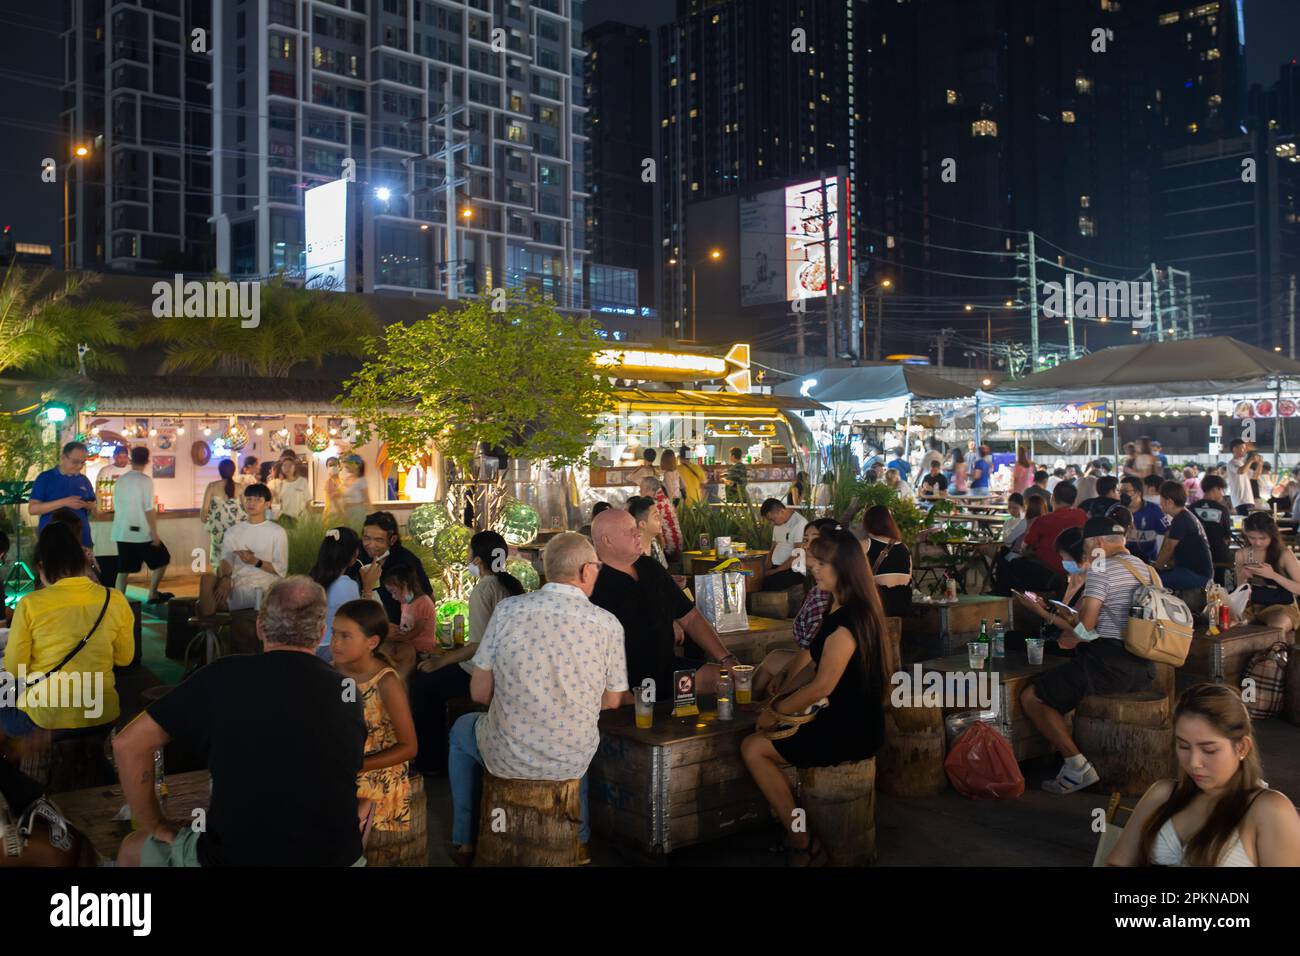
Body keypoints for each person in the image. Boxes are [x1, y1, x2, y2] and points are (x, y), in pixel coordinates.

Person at [114, 577, 368, 867]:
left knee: (133, 847)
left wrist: (157, 825)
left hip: (233, 857)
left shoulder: (222, 675)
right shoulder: (347, 692)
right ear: (321, 632)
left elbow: (127, 744)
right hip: (337, 859)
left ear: (260, 627)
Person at [448, 533, 627, 865]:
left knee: (460, 731)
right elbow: (613, 700)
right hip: (571, 757)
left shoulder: (508, 610)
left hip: (506, 756)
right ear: (587, 570)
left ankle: (464, 839)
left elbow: (478, 692)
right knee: (573, 740)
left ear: (546, 568)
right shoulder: (608, 625)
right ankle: (580, 841)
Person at [740, 528, 890, 865]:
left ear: (845, 569)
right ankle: (800, 834)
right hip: (848, 721)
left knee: (753, 749)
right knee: (762, 740)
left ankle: (801, 840)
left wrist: (775, 713)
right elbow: (810, 664)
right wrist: (777, 696)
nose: (814, 569)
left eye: (821, 564)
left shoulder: (848, 620)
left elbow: (823, 685)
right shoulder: (844, 608)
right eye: (814, 563)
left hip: (851, 730)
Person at [1018, 515, 1157, 794]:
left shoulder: (1102, 570)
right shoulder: (1145, 569)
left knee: (1032, 696)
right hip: (1145, 666)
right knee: (1060, 683)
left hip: (1109, 665)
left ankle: (1076, 765)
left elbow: (1085, 629)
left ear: (1098, 542)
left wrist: (1046, 616)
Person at [1106, 684, 1300, 866]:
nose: (1193, 763)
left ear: (1241, 747)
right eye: (1183, 746)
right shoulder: (1163, 793)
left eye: (1209, 750)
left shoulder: (1270, 810)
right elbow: (1115, 863)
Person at [0, 523, 135, 742]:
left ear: (41, 566)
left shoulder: (30, 605)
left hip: (46, 717)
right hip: (102, 713)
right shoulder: (115, 599)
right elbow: (124, 658)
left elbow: (16, 668)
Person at [409, 530, 524, 774]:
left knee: (423, 686)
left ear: (478, 560)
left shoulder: (484, 590)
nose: (468, 557)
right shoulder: (511, 585)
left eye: (470, 552)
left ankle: (432, 762)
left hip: (484, 673)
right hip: (507, 666)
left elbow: (479, 646)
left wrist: (440, 662)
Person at [589, 509, 738, 696]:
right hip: (624, 682)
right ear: (607, 540)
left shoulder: (650, 567)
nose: (638, 534)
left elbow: (690, 617)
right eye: (630, 531)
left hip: (668, 669)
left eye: (637, 528)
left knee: (734, 680)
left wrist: (725, 658)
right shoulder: (591, 581)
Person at [330, 599, 417, 837]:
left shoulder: (386, 682)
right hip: (341, 769)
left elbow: (409, 747)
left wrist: (356, 765)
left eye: (346, 636)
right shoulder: (329, 674)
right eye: (334, 633)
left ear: (372, 642)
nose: (335, 642)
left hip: (379, 776)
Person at [758, 518, 842, 700]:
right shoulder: (818, 586)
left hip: (824, 677)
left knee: (772, 667)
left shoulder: (828, 594)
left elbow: (811, 654)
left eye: (815, 539)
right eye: (805, 539)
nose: (808, 545)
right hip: (812, 664)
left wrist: (777, 704)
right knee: (773, 659)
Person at [198, 483, 288, 616]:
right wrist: (226, 577)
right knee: (206, 578)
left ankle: (206, 622)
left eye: (257, 500)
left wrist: (255, 561)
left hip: (260, 586)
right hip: (236, 582)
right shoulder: (233, 531)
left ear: (267, 504)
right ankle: (208, 622)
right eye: (248, 499)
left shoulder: (277, 532)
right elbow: (226, 558)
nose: (251, 503)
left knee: (206, 605)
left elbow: (280, 570)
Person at [110, 446, 173, 604]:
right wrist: (154, 532)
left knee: (123, 570)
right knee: (163, 559)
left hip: (121, 531)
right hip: (141, 533)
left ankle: (118, 603)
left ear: (131, 460)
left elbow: (116, 505)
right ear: (147, 461)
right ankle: (152, 594)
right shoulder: (145, 481)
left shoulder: (121, 481)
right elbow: (148, 509)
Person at [308, 527, 377, 663]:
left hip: (309, 648)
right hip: (330, 650)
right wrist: (368, 587)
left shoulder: (311, 578)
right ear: (353, 555)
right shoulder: (345, 585)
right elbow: (362, 621)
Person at [359, 511, 434, 626]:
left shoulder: (407, 561)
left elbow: (428, 599)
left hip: (400, 630)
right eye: (367, 538)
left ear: (392, 540)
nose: (371, 545)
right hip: (365, 625)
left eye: (379, 540)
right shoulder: (358, 556)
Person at [1234, 512, 1300, 643]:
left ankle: (1270, 661)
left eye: (1262, 538)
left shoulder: (1284, 554)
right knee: (1229, 624)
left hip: (1281, 606)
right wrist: (1242, 577)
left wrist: (1273, 575)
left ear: (1272, 535)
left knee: (1275, 628)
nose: (1257, 542)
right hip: (1252, 606)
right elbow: (1240, 591)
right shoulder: (1242, 554)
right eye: (1252, 537)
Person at [1014, 481, 1086, 595]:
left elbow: (1024, 547)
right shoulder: (1082, 516)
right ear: (1074, 501)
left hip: (1046, 574)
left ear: (1052, 498)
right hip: (1076, 572)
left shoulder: (1042, 520)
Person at [28, 442, 96, 550]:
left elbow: (93, 506)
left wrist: (86, 505)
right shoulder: (45, 478)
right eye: (75, 462)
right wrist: (64, 502)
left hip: (82, 540)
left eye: (83, 462)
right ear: (63, 457)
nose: (79, 466)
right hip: (53, 541)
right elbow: (33, 509)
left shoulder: (84, 480)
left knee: (84, 567)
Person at [379, 563, 437, 679]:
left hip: (421, 649)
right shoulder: (405, 603)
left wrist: (397, 638)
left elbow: (416, 631)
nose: (393, 597)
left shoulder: (423, 602)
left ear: (405, 585)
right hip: (407, 643)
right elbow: (405, 626)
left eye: (394, 592)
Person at [1152, 481, 1213, 590]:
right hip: (1197, 573)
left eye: (1161, 500)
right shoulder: (1186, 515)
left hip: (1196, 575)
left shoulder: (1181, 520)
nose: (1160, 504)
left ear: (1169, 502)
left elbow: (1168, 548)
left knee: (1151, 581)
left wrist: (1155, 570)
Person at [862, 505, 912, 618]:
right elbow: (909, 577)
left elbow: (856, 576)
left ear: (867, 522)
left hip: (880, 603)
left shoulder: (865, 545)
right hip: (904, 604)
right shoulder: (904, 547)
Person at [201, 459, 246, 569]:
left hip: (218, 530)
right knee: (235, 560)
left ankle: (220, 583)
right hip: (236, 530)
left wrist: (206, 521)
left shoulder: (212, 486)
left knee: (218, 561)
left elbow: (204, 510)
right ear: (233, 471)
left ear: (219, 471)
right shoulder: (240, 487)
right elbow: (246, 509)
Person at [760, 498, 809, 592]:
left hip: (794, 569)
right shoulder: (778, 524)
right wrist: (767, 564)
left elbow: (798, 554)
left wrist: (776, 571)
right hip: (777, 567)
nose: (772, 523)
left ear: (781, 511)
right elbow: (774, 545)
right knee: (755, 579)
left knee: (769, 583)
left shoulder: (800, 523)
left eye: (772, 519)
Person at [1192, 474, 1233, 585]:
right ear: (1215, 489)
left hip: (1195, 554)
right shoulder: (1222, 509)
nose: (1222, 493)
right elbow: (1227, 537)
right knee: (1218, 583)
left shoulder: (1191, 508)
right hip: (1218, 555)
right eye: (1221, 490)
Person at [1121, 475, 1168, 563]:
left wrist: (1162, 557)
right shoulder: (1117, 510)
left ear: (1138, 492)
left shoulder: (1154, 510)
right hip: (1124, 562)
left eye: (1126, 491)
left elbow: (1168, 533)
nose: (1122, 495)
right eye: (1120, 491)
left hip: (1148, 562)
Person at [640, 476, 683, 560]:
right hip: (675, 546)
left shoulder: (656, 504)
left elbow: (657, 530)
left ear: (648, 489)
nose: (640, 492)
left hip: (669, 549)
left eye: (641, 489)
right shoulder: (663, 499)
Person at [627, 495, 667, 568]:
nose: (661, 521)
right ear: (642, 524)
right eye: (656, 517)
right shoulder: (630, 552)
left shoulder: (654, 543)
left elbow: (663, 573)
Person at [271, 455, 310, 527]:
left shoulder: (302, 481)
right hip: (286, 520)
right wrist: (276, 519)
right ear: (281, 468)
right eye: (285, 465)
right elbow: (276, 504)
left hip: (301, 519)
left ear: (294, 467)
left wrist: (310, 518)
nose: (287, 467)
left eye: (290, 465)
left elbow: (308, 501)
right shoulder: (280, 484)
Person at [1227, 439, 1260, 515]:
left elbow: (1255, 477)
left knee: (1250, 523)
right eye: (1243, 448)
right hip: (1240, 500)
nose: (1245, 450)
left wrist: (1260, 464)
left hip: (1248, 499)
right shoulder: (1231, 463)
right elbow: (1241, 471)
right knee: (1245, 523)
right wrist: (1251, 460)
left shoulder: (1242, 463)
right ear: (1235, 449)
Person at [339, 455, 371, 529]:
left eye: (349, 463)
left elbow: (367, 499)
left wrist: (371, 514)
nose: (346, 466)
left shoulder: (362, 480)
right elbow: (340, 493)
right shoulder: (347, 479)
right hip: (347, 512)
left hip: (357, 512)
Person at [323, 456, 344, 524]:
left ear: (339, 466)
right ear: (327, 468)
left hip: (340, 516)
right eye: (330, 465)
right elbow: (333, 499)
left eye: (335, 465)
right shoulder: (329, 482)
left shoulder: (341, 482)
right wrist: (342, 514)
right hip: (332, 516)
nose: (333, 467)